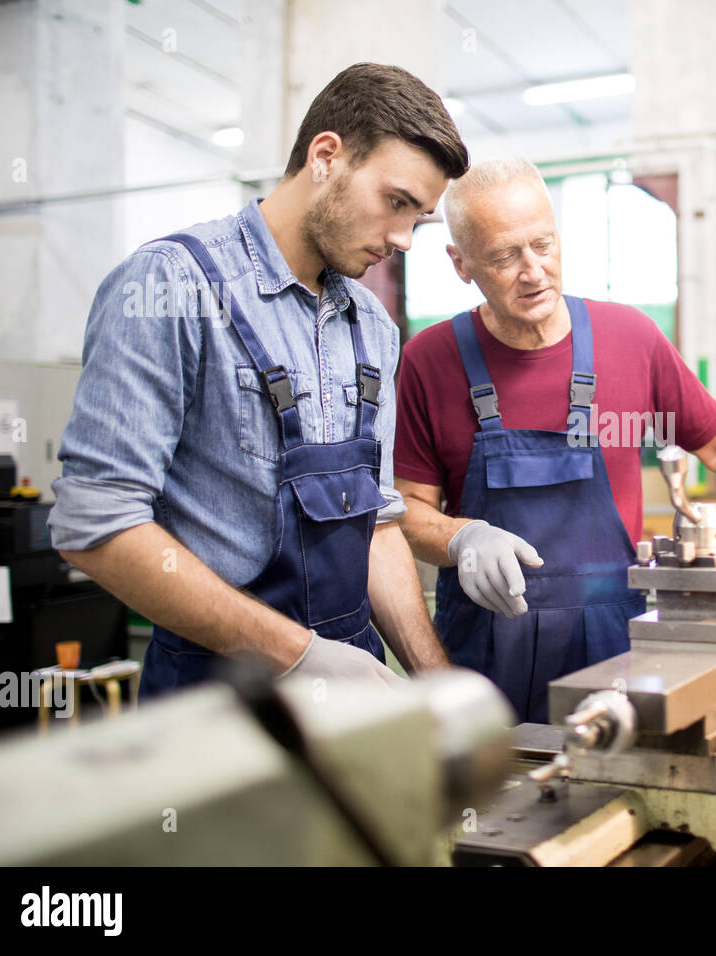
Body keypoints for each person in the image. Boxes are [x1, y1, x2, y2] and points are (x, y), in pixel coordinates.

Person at [393, 157, 716, 723]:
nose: (532, 271)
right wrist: (461, 537)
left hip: (615, 647)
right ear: (461, 263)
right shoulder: (430, 360)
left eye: (543, 245)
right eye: (503, 256)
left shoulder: (631, 338)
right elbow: (407, 512)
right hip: (487, 654)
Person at [49, 63, 463, 697]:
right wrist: (298, 656)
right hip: (216, 698)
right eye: (397, 202)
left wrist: (439, 686)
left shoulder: (373, 329)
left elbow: (375, 523)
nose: (404, 238)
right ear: (326, 156)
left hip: (353, 689)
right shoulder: (171, 286)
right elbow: (95, 525)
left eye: (420, 218)